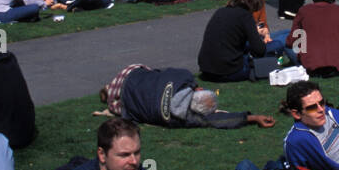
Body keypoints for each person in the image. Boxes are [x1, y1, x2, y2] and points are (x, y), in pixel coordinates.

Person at [97, 63, 276, 129]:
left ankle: (110, 89)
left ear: (197, 90)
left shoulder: (183, 76)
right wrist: (253, 118)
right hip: (130, 102)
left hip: (133, 78)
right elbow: (221, 120)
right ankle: (111, 94)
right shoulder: (183, 119)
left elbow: (160, 72)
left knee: (143, 70)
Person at [198, 0, 279, 81]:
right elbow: (259, 50)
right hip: (227, 71)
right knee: (277, 44)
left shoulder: (221, 11)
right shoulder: (245, 16)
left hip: (206, 69)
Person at [286, 0, 339, 75]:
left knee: (287, 45)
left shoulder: (304, 10)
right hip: (337, 64)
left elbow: (292, 40)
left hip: (310, 64)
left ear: (314, 0)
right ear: (332, 1)